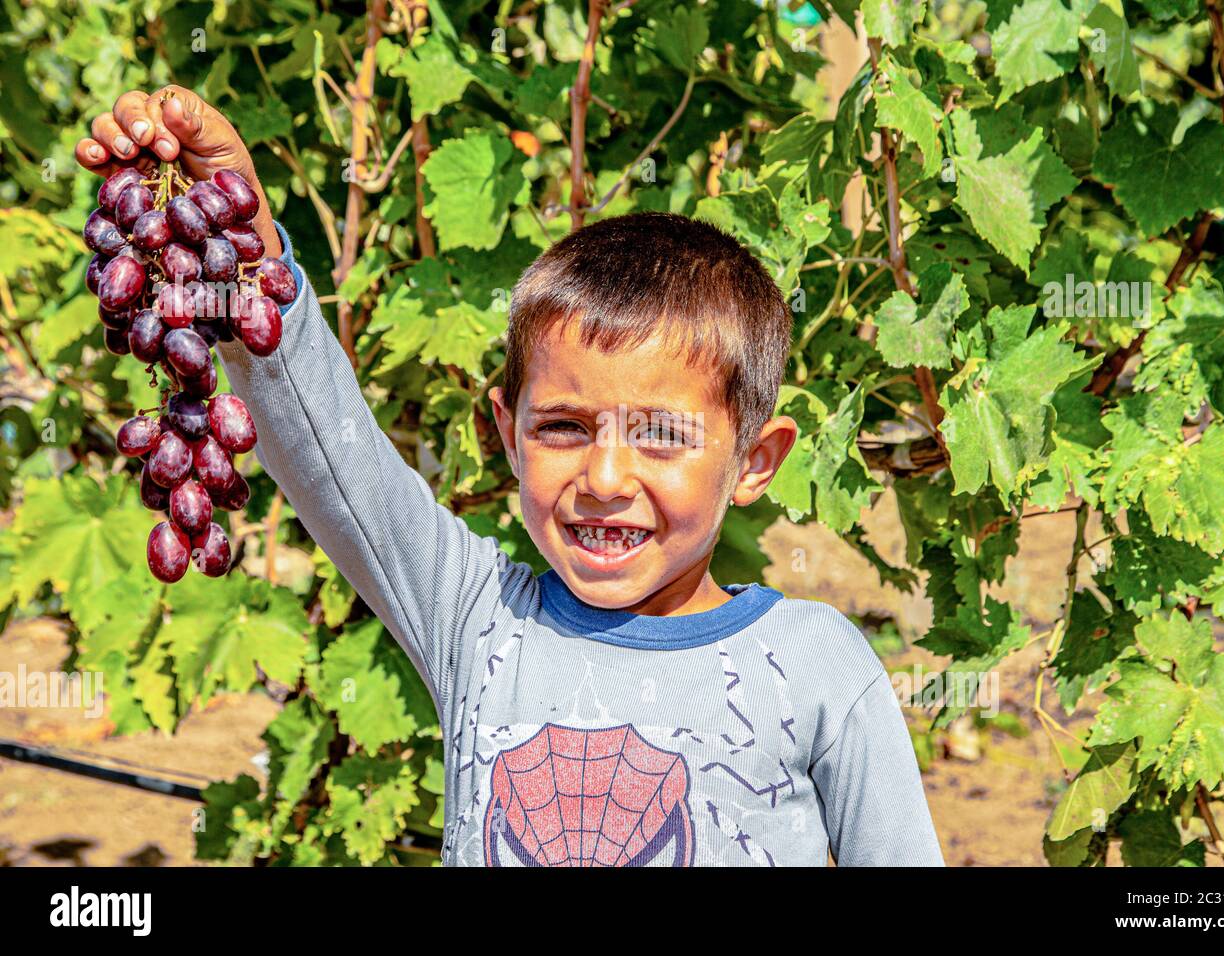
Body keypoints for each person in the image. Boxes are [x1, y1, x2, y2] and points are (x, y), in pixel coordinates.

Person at [76, 87, 945, 868]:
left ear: (755, 461)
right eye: (564, 428)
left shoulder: (817, 663)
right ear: (506, 435)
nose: (605, 477)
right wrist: (241, 247)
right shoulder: (476, 619)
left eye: (662, 436)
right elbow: (328, 450)